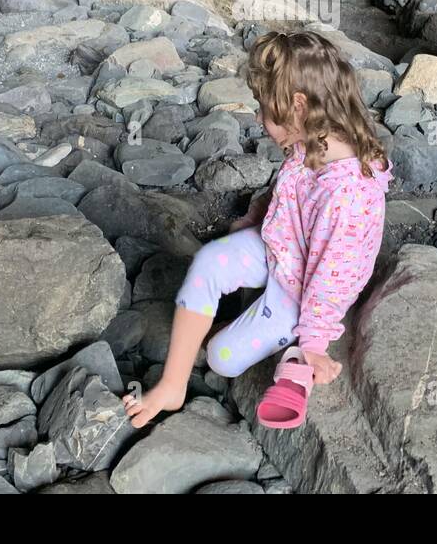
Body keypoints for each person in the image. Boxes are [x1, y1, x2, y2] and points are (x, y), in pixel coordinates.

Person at [123, 30, 392, 429]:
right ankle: (173, 384)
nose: (257, 117)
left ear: (297, 106)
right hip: (282, 247)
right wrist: (256, 220)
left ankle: (294, 363)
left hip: (303, 288)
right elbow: (288, 192)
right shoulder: (313, 140)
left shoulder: (349, 197)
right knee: (211, 259)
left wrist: (314, 341)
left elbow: (333, 276)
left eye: (263, 108)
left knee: (221, 357)